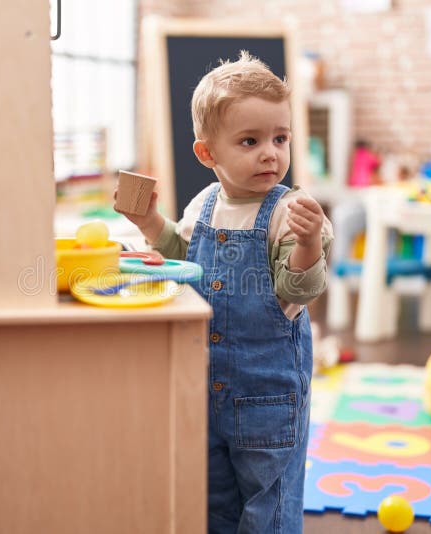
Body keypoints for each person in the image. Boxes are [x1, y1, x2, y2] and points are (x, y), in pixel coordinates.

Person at [116, 50, 333, 533]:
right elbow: (183, 253)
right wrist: (150, 221)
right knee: (214, 499)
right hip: (208, 387)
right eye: (250, 141)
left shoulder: (290, 212)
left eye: (281, 138)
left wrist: (310, 240)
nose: (270, 153)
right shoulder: (206, 203)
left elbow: (300, 288)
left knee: (267, 506)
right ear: (208, 153)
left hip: (268, 394)